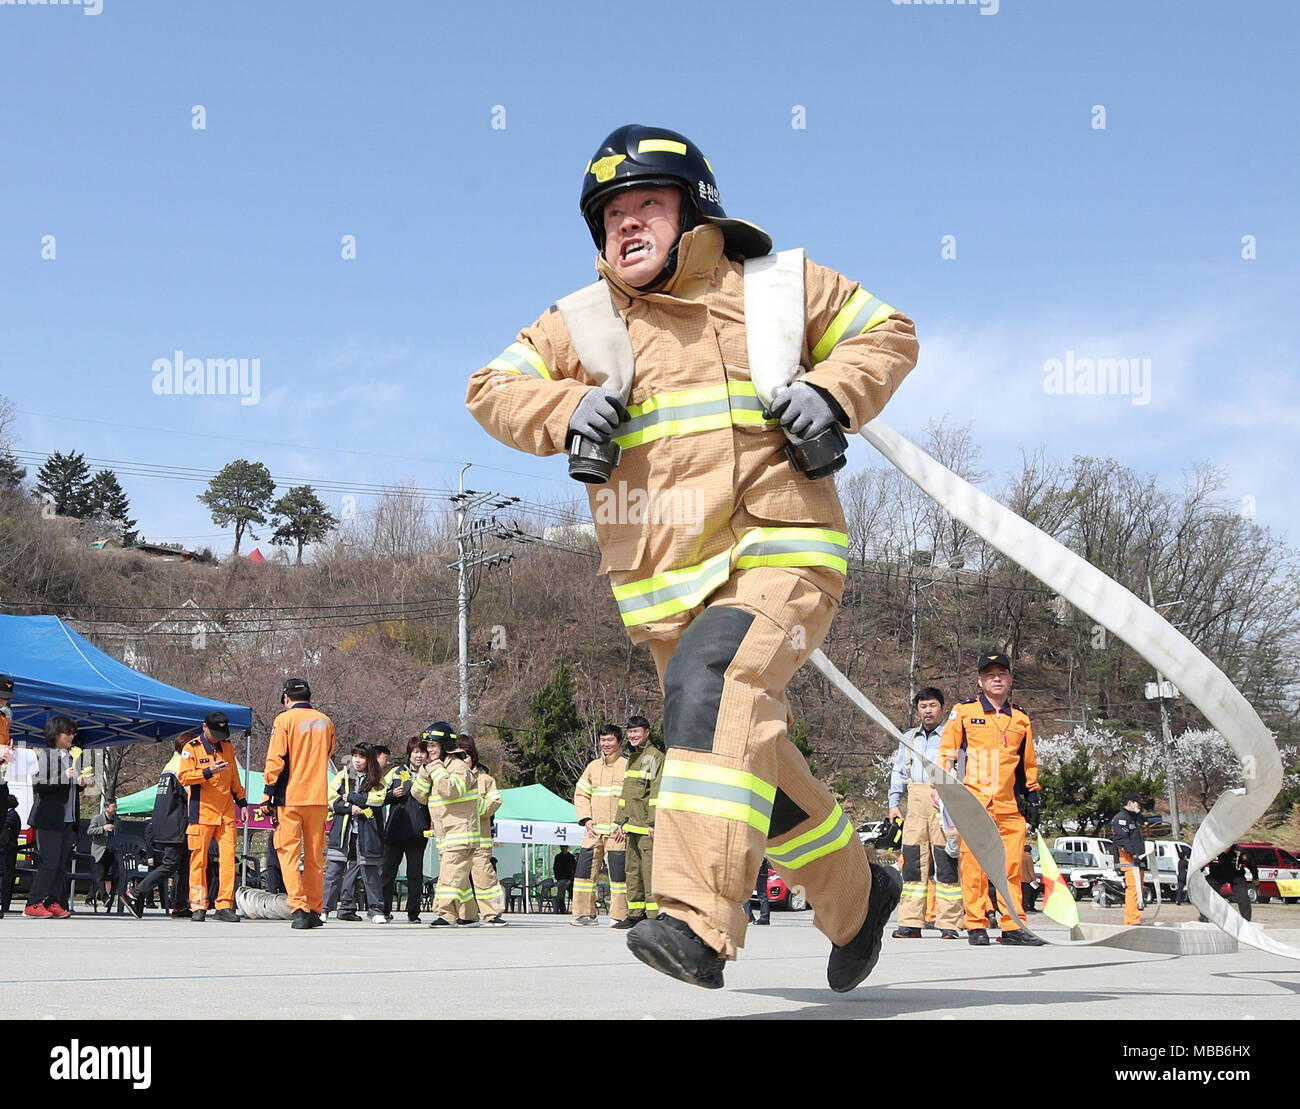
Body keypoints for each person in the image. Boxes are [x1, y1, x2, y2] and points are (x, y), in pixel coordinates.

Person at [466, 124, 916, 991]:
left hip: (781, 551)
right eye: (608, 217)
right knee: (760, 776)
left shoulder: (780, 290)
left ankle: (695, 920)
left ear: (696, 208)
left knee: (713, 687)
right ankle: (861, 897)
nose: (624, 226)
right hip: (669, 589)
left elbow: (887, 332)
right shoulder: (585, 321)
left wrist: (831, 392)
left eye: (645, 205)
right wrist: (564, 409)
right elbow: (490, 386)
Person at [940, 651, 1045, 947]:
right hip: (974, 803)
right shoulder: (964, 712)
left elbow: (1029, 763)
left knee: (1011, 866)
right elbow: (947, 751)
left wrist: (1033, 796)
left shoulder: (1021, 719)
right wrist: (943, 784)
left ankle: (1013, 925)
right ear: (980, 681)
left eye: (1001, 674)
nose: (996, 678)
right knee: (973, 865)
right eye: (990, 674)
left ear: (1010, 679)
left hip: (1009, 806)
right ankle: (976, 923)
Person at [262, 677, 337, 930]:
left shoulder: (283, 720)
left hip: (290, 798)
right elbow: (329, 752)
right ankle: (316, 908)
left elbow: (276, 759)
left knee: (289, 854)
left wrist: (267, 794)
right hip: (318, 798)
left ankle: (299, 908)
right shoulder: (325, 721)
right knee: (316, 858)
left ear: (286, 698)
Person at [889, 687, 963, 940]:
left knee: (946, 864)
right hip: (916, 803)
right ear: (917, 710)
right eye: (923, 706)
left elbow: (963, 770)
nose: (927, 711)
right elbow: (899, 772)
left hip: (945, 805)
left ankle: (949, 924)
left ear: (942, 708)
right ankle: (910, 923)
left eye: (932, 705)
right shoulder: (909, 738)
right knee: (912, 864)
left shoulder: (953, 736)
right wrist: (893, 802)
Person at [177, 712, 246, 922]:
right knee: (199, 861)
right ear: (204, 727)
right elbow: (184, 777)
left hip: (226, 813)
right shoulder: (192, 749)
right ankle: (198, 906)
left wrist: (242, 802)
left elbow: (234, 778)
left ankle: (224, 905)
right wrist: (208, 771)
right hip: (201, 813)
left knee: (228, 860)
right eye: (214, 732)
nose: (217, 737)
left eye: (221, 733)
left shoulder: (228, 748)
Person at [411, 722, 480, 927]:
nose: (429, 750)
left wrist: (436, 770)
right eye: (427, 746)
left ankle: (446, 914)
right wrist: (426, 771)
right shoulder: (435, 767)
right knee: (460, 879)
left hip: (460, 834)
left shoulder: (458, 767)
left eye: (433, 745)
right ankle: (468, 917)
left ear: (444, 745)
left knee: (449, 877)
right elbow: (418, 795)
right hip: (446, 835)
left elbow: (450, 791)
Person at [25, 715, 91, 918]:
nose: (71, 736)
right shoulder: (46, 756)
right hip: (49, 818)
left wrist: (79, 783)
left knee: (61, 864)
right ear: (55, 734)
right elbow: (39, 785)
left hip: (67, 819)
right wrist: (65, 778)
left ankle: (53, 901)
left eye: (73, 733)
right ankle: (33, 903)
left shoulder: (70, 757)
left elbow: (66, 789)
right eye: (67, 732)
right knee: (50, 862)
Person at [122, 737, 191, 919]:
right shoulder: (182, 766)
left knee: (184, 866)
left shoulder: (169, 765)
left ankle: (180, 905)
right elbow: (189, 795)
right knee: (170, 864)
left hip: (164, 821)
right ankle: (134, 894)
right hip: (175, 823)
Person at [570, 725, 628, 927]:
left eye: (610, 740)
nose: (606, 744)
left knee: (619, 876)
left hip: (617, 832)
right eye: (603, 740)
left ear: (619, 741)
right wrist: (586, 819)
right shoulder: (592, 767)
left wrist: (624, 823)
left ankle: (619, 915)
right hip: (593, 831)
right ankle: (584, 913)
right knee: (585, 873)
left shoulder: (627, 766)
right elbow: (581, 794)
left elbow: (633, 799)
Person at [324, 744, 389, 923]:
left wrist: (352, 797)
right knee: (334, 871)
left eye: (362, 756)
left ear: (369, 759)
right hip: (344, 833)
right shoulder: (343, 775)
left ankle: (376, 911)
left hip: (367, 834)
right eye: (355, 756)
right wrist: (349, 807)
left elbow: (378, 799)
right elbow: (330, 797)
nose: (357, 760)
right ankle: (324, 909)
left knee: (370, 872)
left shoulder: (377, 779)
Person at [613, 714, 663, 930]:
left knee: (648, 871)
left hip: (646, 826)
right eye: (630, 732)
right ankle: (635, 914)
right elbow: (626, 794)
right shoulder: (631, 759)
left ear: (647, 732)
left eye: (636, 732)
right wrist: (619, 821)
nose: (632, 736)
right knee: (632, 871)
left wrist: (653, 823)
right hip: (630, 825)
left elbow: (656, 792)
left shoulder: (655, 757)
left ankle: (654, 916)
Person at [380, 736, 431, 923]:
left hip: (418, 830)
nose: (419, 756)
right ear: (409, 754)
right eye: (416, 752)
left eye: (422, 752)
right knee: (387, 872)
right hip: (394, 829)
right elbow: (379, 795)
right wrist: (392, 794)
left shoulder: (429, 773)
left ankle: (413, 912)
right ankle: (384, 910)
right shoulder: (397, 772)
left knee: (414, 874)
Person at [457, 735, 506, 926]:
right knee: (460, 879)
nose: (464, 760)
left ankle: (492, 913)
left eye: (466, 755)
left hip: (480, 839)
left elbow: (495, 801)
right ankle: (466, 915)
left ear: (473, 756)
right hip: (456, 839)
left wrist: (475, 808)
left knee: (484, 876)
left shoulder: (485, 779)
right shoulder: (450, 781)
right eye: (459, 757)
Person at [1110, 791, 1146, 927]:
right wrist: (1133, 853)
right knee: (1133, 889)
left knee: (1138, 889)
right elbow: (1121, 840)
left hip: (1137, 859)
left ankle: (1135, 916)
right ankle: (1132, 919)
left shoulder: (1133, 819)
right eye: (1137, 804)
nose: (1139, 807)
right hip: (1129, 860)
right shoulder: (1121, 818)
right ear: (1130, 803)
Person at [1204, 847, 1253, 922]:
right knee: (1207, 894)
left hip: (1235, 875)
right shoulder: (1213, 849)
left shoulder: (1239, 851)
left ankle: (1246, 920)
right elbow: (1201, 863)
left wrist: (1255, 877)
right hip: (1216, 875)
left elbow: (1251, 864)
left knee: (1243, 896)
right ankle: (1204, 917)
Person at [87, 798, 119, 907]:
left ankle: (89, 898)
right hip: (99, 851)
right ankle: (105, 897)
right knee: (99, 875)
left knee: (105, 876)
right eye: (113, 806)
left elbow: (119, 834)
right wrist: (103, 828)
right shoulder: (97, 818)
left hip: (111, 852)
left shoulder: (117, 820)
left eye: (115, 806)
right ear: (107, 808)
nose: (115, 809)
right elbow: (90, 831)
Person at [1, 795, 20, 918]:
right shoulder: (12, 814)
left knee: (6, 878)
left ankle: (5, 905)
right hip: (8, 850)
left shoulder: (10, 815)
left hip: (8, 851)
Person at [552, 844, 577, 913]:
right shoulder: (558, 857)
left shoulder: (571, 857)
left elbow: (574, 869)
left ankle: (575, 909)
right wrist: (557, 877)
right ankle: (562, 909)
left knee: (572, 894)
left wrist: (570, 880)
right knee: (560, 894)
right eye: (562, 847)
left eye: (565, 847)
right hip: (561, 879)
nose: (563, 848)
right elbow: (555, 868)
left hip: (570, 879)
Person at [748, 857, 771, 926]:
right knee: (762, 895)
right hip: (760, 871)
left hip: (758, 871)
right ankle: (749, 915)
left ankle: (764, 918)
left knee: (762, 895)